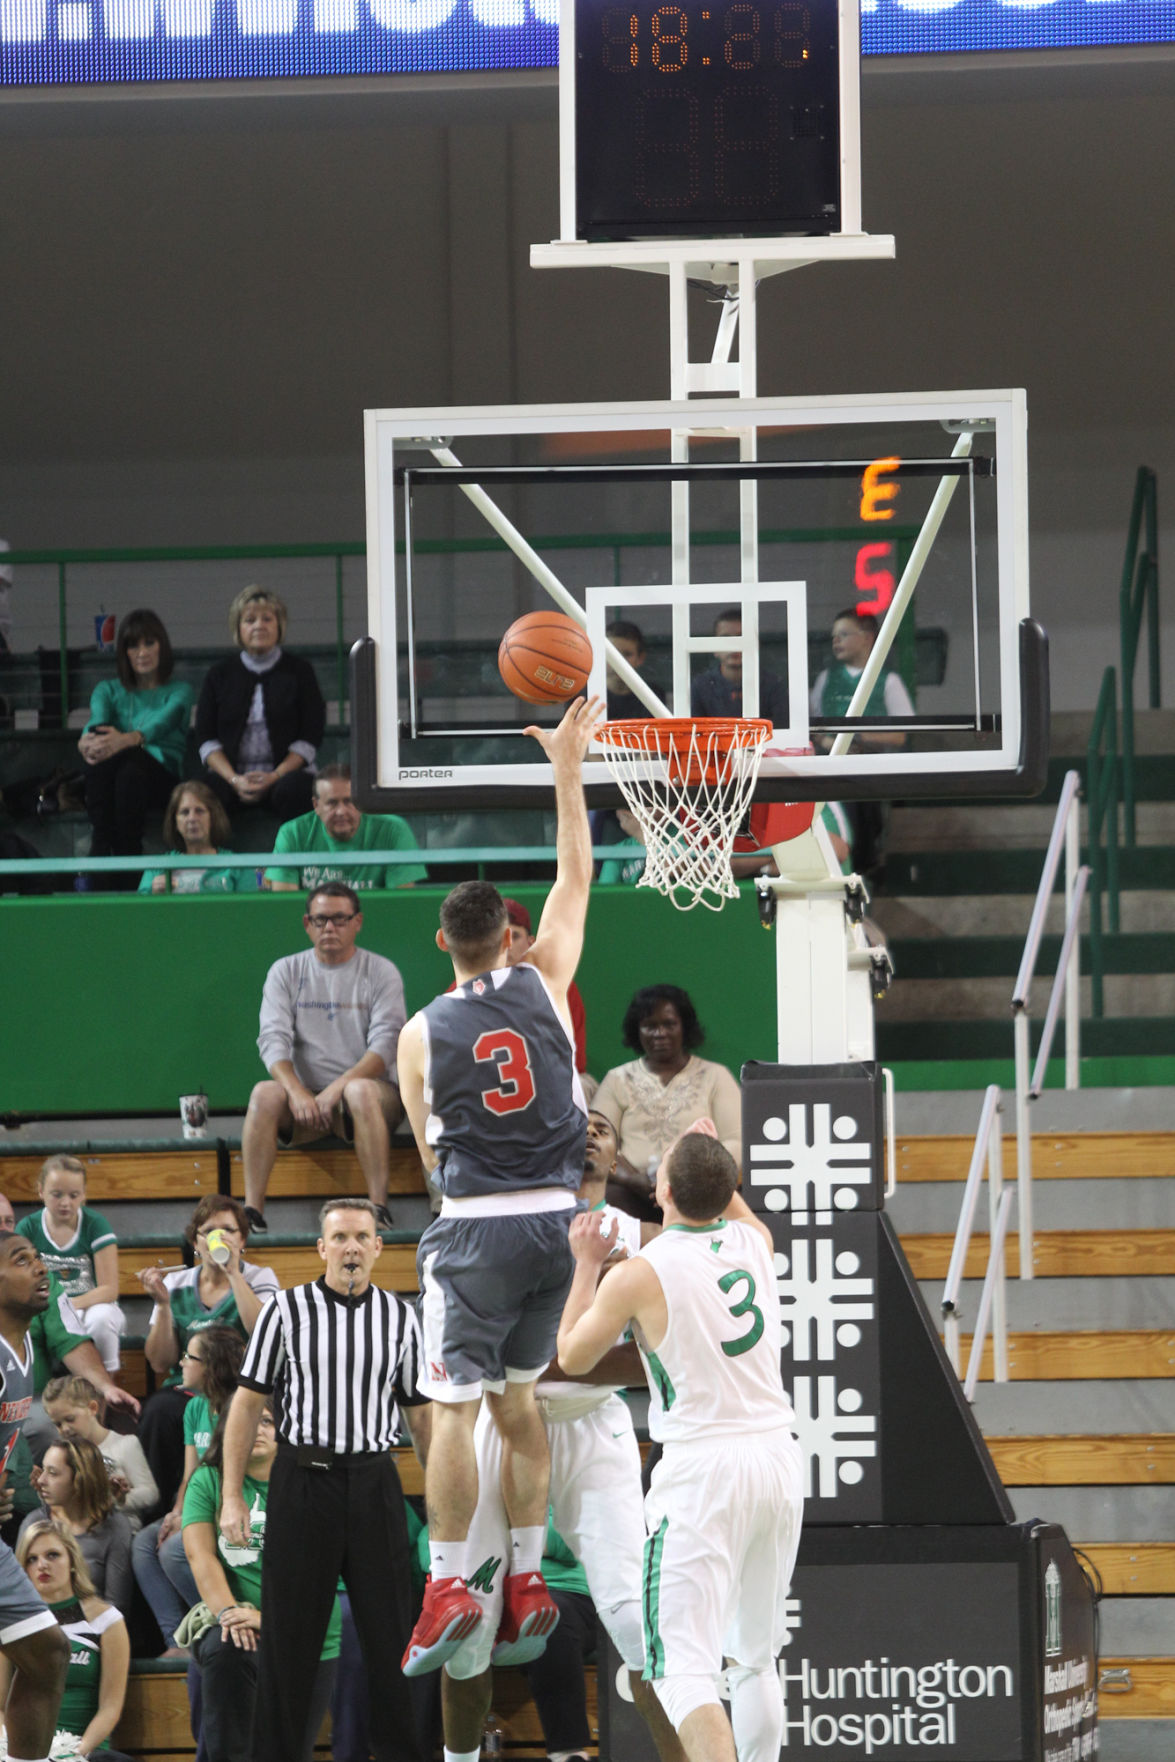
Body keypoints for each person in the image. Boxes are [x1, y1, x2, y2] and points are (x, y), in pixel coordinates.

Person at [396, 695, 602, 1678]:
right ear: (508, 940)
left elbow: (425, 1148)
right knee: (519, 1403)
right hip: (558, 1228)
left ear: (444, 943)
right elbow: (576, 871)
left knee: (451, 1411)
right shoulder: (550, 978)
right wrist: (566, 764)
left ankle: (447, 1583)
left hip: (474, 1226)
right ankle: (524, 1578)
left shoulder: (414, 1032)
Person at [437, 1111, 684, 1762]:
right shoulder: (505, 1224)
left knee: (637, 1624)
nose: (591, 1132)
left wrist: (570, 1360)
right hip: (505, 1426)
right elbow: (495, 1358)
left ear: (617, 1149)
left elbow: (665, 1356)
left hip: (592, 1425)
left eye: (603, 1125)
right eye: (577, 1122)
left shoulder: (652, 1240)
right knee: (468, 1636)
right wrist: (583, 1358)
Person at [557, 1125, 804, 1762]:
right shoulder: (755, 1240)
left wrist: (585, 1264)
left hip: (704, 1469)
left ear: (661, 1190)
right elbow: (728, 1197)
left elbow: (573, 1356)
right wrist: (711, 1150)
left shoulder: (641, 1272)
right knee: (754, 1660)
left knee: (679, 1667)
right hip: (776, 1456)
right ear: (727, 1191)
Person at [219, 1197, 429, 1762]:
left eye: (362, 1236)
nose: (351, 1247)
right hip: (303, 1481)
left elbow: (420, 1414)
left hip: (374, 1482)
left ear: (379, 1247)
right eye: (339, 1238)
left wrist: (443, 1498)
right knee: (290, 1641)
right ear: (321, 1248)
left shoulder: (402, 1317)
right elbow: (245, 1406)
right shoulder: (284, 1313)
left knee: (393, 1642)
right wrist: (232, 1495)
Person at [242, 881, 407, 1231]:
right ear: (307, 924)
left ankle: (378, 1206)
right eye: (320, 920)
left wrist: (336, 1090)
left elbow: (386, 1045)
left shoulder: (381, 971)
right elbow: (272, 1039)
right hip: (307, 1101)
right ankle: (251, 1213)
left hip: (370, 1096)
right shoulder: (285, 971)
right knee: (263, 1093)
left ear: (357, 922)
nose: (329, 928)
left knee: (358, 1091)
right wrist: (298, 1092)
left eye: (339, 919)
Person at [183, 1399, 339, 1762]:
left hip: (306, 1632)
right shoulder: (209, 1480)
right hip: (239, 1626)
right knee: (226, 1649)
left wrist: (271, 1622)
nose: (257, 1429)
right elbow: (200, 1556)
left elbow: (323, 1572)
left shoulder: (311, 1483)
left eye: (267, 1421)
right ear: (226, 1433)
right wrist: (231, 1614)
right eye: (248, 1422)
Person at [136, 1198, 278, 1509]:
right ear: (196, 1242)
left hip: (242, 1388)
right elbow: (159, 1361)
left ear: (242, 1239)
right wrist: (162, 1305)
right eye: (209, 1230)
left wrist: (234, 1274)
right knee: (158, 1412)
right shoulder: (176, 1283)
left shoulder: (260, 1277)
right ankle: (159, 1510)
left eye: (229, 1230)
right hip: (189, 1388)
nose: (220, 1237)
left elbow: (264, 1334)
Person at [0, 1233, 71, 1762]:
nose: (40, 1268)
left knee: (47, 1655)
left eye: (39, 1257)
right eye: (22, 1260)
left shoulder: (22, 1346)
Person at [132, 1329, 242, 1655]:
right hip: (198, 1503)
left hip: (229, 1509)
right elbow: (189, 1475)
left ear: (210, 1366)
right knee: (144, 1545)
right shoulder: (194, 1409)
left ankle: (222, 1620)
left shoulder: (242, 1408)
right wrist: (177, 1513)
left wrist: (192, 1517)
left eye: (189, 1357)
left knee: (174, 1551)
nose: (180, 1363)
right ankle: (179, 1641)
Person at [591, 985, 741, 1222]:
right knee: (606, 1198)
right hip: (634, 1192)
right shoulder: (618, 1079)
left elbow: (736, 1141)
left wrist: (694, 1178)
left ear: (685, 1027)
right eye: (650, 1026)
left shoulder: (716, 1077)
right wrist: (632, 1180)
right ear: (637, 1031)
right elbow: (596, 1139)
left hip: (700, 1191)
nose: (659, 1033)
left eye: (669, 1024)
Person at [77, 609, 194, 888]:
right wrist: (85, 740)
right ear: (124, 652)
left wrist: (127, 739)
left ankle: (110, 849)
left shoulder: (180, 691)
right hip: (117, 779)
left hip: (161, 779)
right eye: (133, 645)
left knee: (130, 760)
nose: (142, 652)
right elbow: (96, 723)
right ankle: (103, 841)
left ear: (162, 647)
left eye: (149, 643)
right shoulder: (107, 689)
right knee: (105, 744)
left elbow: (160, 725)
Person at [195, 586, 326, 824]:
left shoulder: (300, 671)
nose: (259, 625)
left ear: (280, 625)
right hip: (231, 776)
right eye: (250, 620)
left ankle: (296, 860)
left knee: (296, 790)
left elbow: (310, 735)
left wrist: (274, 777)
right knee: (204, 793)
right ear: (238, 628)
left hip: (286, 775)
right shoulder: (219, 674)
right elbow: (205, 737)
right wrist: (235, 780)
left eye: (267, 619)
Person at [7, 1522, 132, 1762]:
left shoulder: (107, 1619)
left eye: (52, 1555)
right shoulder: (13, 1622)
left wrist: (74, 1753)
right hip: (22, 1752)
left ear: (73, 1561)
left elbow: (110, 1708)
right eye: (31, 1559)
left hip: (85, 1750)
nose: (42, 1565)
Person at [809, 607, 915, 881]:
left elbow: (902, 734)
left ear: (868, 638)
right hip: (833, 772)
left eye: (844, 634)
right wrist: (830, 741)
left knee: (866, 816)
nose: (836, 641)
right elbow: (813, 729)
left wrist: (861, 738)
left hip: (871, 773)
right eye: (833, 636)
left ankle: (868, 867)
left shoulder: (888, 681)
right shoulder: (825, 680)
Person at [16, 1158, 123, 1375]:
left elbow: (110, 1289)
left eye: (74, 1195)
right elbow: (19, 1281)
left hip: (89, 1305)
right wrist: (54, 1309)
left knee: (101, 1319)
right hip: (46, 1309)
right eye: (57, 1194)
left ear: (84, 1195)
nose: (66, 1202)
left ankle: (106, 1385)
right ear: (40, 1191)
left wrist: (68, 1304)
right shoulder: (28, 1228)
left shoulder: (96, 1224)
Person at [264, 764, 427, 892]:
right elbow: (286, 905)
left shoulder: (394, 830)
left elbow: (399, 904)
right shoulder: (292, 833)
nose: (341, 811)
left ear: (362, 799)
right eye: (332, 803)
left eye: (350, 801)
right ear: (316, 805)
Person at [20, 1439, 133, 1617]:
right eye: (43, 1470)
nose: (41, 1480)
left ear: (80, 1479)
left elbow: (116, 1606)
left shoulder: (115, 1526)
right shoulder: (34, 1522)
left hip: (92, 1632)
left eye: (53, 1473)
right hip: (39, 1630)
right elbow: (20, 1595)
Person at [40, 1377, 158, 1530]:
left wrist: (118, 1500)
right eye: (58, 1424)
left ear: (93, 1408)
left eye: (70, 1419)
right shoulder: (61, 1454)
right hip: (75, 1533)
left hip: (121, 1530)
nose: (65, 1429)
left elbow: (151, 1493)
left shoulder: (125, 1444)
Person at [501, 897, 590, 1087]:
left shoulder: (559, 984)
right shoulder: (469, 985)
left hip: (553, 1084)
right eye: (499, 938)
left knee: (582, 1085)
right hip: (493, 1087)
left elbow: (576, 1062)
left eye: (514, 936)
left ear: (531, 942)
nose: (507, 945)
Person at [138, 781, 261, 895]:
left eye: (199, 811)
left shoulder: (238, 866)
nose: (192, 818)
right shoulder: (158, 867)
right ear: (175, 822)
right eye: (185, 812)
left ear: (213, 817)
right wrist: (153, 893)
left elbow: (250, 913)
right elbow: (137, 913)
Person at [689, 609, 789, 724]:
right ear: (714, 648)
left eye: (741, 638)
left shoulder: (773, 686)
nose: (734, 645)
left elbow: (781, 730)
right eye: (726, 638)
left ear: (756, 645)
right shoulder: (700, 686)